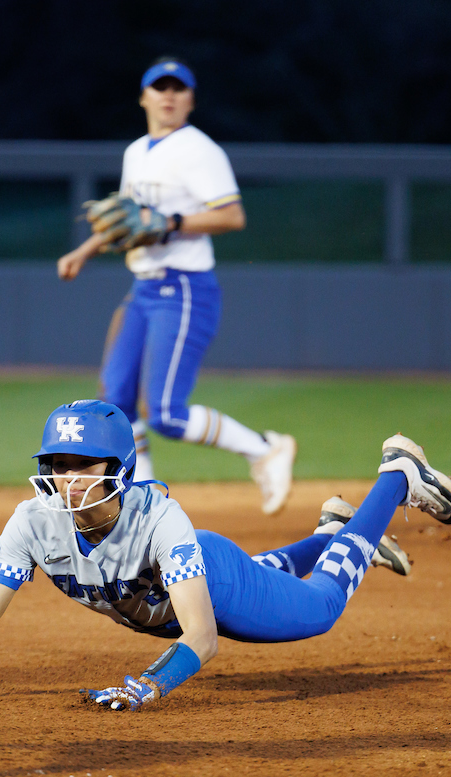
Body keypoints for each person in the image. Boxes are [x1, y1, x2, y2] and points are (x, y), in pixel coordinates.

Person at [0, 400, 451, 711]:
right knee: (266, 573)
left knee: (322, 606)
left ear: (118, 469)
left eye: (79, 466)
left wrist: (150, 686)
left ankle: (398, 477)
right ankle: (331, 534)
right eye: (55, 467)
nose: (64, 480)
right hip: (194, 575)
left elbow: (201, 636)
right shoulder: (32, 523)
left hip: (212, 587)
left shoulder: (159, 520)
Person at [56, 57, 297, 516]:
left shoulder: (198, 149)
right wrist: (84, 251)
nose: (168, 96)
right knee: (116, 405)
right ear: (143, 97)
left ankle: (264, 449)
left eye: (178, 89)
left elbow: (232, 215)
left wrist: (171, 222)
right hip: (143, 287)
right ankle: (144, 504)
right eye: (159, 87)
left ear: (190, 100)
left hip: (184, 288)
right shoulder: (136, 152)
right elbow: (127, 218)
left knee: (165, 413)